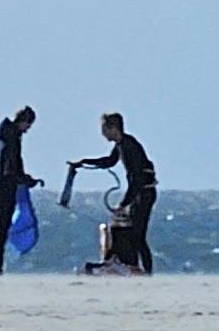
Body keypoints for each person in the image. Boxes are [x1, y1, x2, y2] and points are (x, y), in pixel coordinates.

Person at [62, 112, 158, 275]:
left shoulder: (130, 146)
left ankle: (146, 273)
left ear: (112, 128)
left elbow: (137, 179)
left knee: (138, 236)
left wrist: (124, 203)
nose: (102, 133)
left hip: (144, 193)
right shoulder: (121, 145)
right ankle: (135, 269)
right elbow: (109, 161)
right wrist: (83, 162)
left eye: (104, 129)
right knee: (134, 235)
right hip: (139, 193)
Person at [0, 108, 39, 274]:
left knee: (1, 230)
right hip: (4, 189)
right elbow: (10, 170)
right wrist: (26, 180)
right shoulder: (11, 139)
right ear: (23, 121)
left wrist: (25, 178)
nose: (28, 129)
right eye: (28, 125)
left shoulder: (6, 136)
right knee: (1, 230)